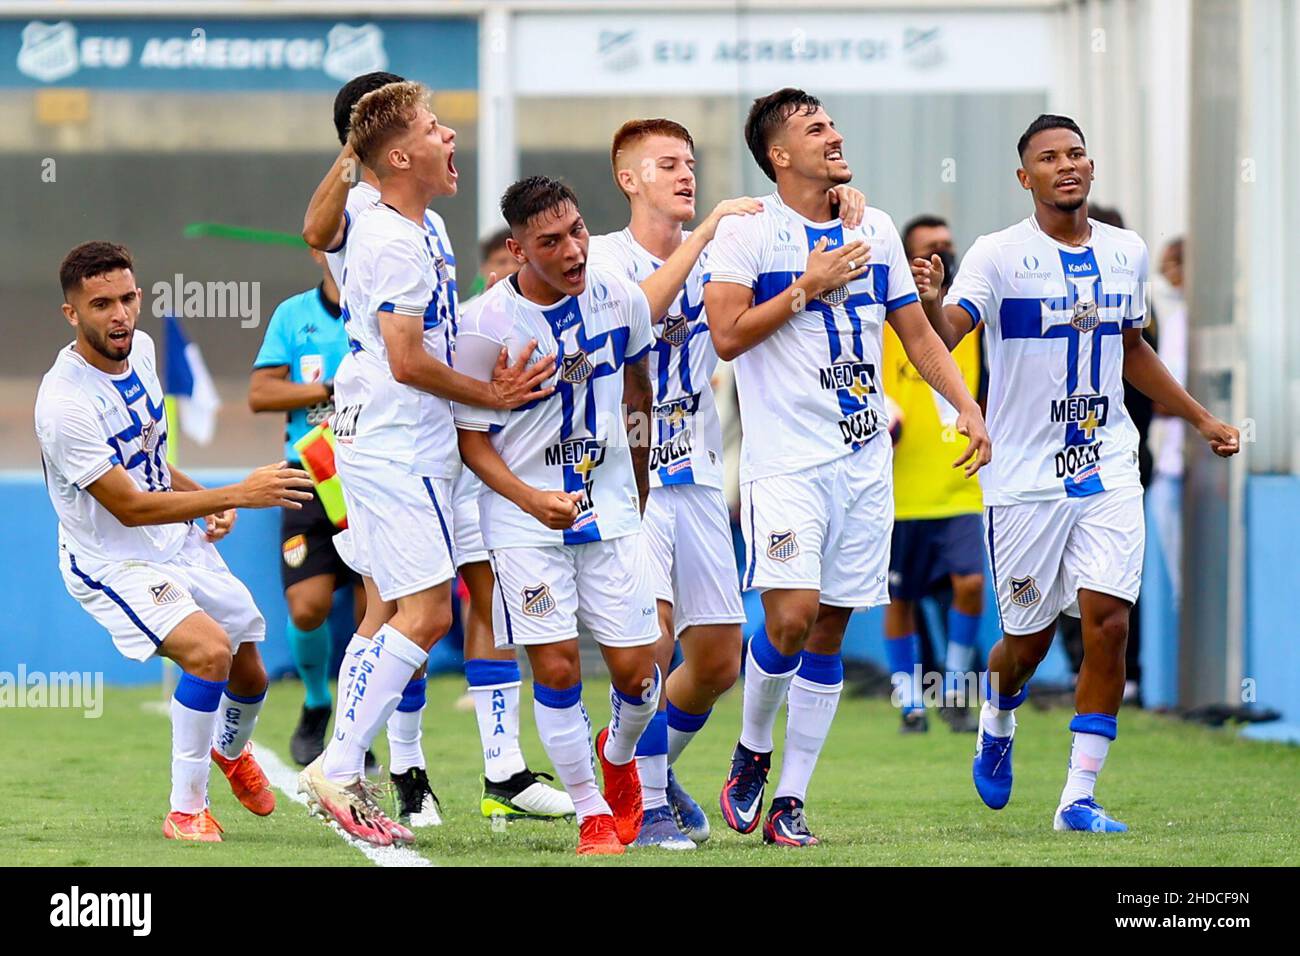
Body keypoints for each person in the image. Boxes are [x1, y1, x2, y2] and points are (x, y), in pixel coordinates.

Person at [918, 113, 1239, 832]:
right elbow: (946, 338)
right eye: (1048, 157)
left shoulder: (1126, 251)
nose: (1066, 165)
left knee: (1110, 626)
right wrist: (933, 303)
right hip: (1025, 480)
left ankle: (1078, 799)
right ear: (1024, 176)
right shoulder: (997, 255)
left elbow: (1132, 349)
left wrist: (1200, 418)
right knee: (1026, 646)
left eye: (1076, 154)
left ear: (1090, 169)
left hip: (1108, 465)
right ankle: (999, 713)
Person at [704, 88, 991, 847]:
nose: (833, 134)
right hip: (787, 466)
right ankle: (752, 750)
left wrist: (965, 403)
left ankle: (792, 802)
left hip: (864, 466)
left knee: (828, 629)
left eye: (831, 123)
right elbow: (726, 336)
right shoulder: (750, 235)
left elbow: (920, 336)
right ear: (779, 155)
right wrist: (809, 286)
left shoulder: (879, 228)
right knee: (790, 619)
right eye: (814, 128)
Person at [304, 73, 572, 825]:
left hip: (408, 441)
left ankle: (353, 765)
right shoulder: (386, 234)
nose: (449, 136)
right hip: (398, 444)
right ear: (395, 159)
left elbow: (425, 343)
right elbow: (405, 359)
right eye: (432, 127)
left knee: (396, 607)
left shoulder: (417, 222)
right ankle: (342, 767)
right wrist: (494, 396)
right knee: (424, 615)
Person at [36, 241, 313, 841]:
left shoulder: (140, 348)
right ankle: (186, 811)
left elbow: (147, 459)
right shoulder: (63, 404)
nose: (120, 315)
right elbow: (129, 505)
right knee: (209, 651)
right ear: (71, 314)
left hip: (172, 535)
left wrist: (196, 501)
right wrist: (232, 494)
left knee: (251, 677)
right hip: (110, 557)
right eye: (101, 303)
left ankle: (230, 751)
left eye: (128, 298)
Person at [455, 176, 661, 856]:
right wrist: (530, 500)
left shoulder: (621, 296)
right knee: (560, 671)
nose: (573, 250)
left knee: (639, 675)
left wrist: (639, 479)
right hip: (523, 523)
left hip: (611, 512)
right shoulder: (484, 324)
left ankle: (618, 752)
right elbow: (472, 443)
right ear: (517, 250)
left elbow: (638, 388)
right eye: (551, 241)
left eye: (576, 230)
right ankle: (591, 813)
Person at [248, 249, 364, 765]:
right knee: (307, 606)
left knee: (376, 612)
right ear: (319, 251)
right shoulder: (294, 315)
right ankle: (317, 701)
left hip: (375, 478)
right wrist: (329, 389)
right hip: (309, 475)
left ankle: (359, 729)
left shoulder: (388, 307)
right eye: (335, 245)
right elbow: (259, 393)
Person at [880, 214, 985, 734]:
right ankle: (908, 701)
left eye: (946, 248)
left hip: (959, 483)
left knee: (970, 585)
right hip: (899, 488)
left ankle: (956, 688)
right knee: (898, 598)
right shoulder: (883, 325)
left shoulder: (969, 321)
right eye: (926, 251)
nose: (938, 258)